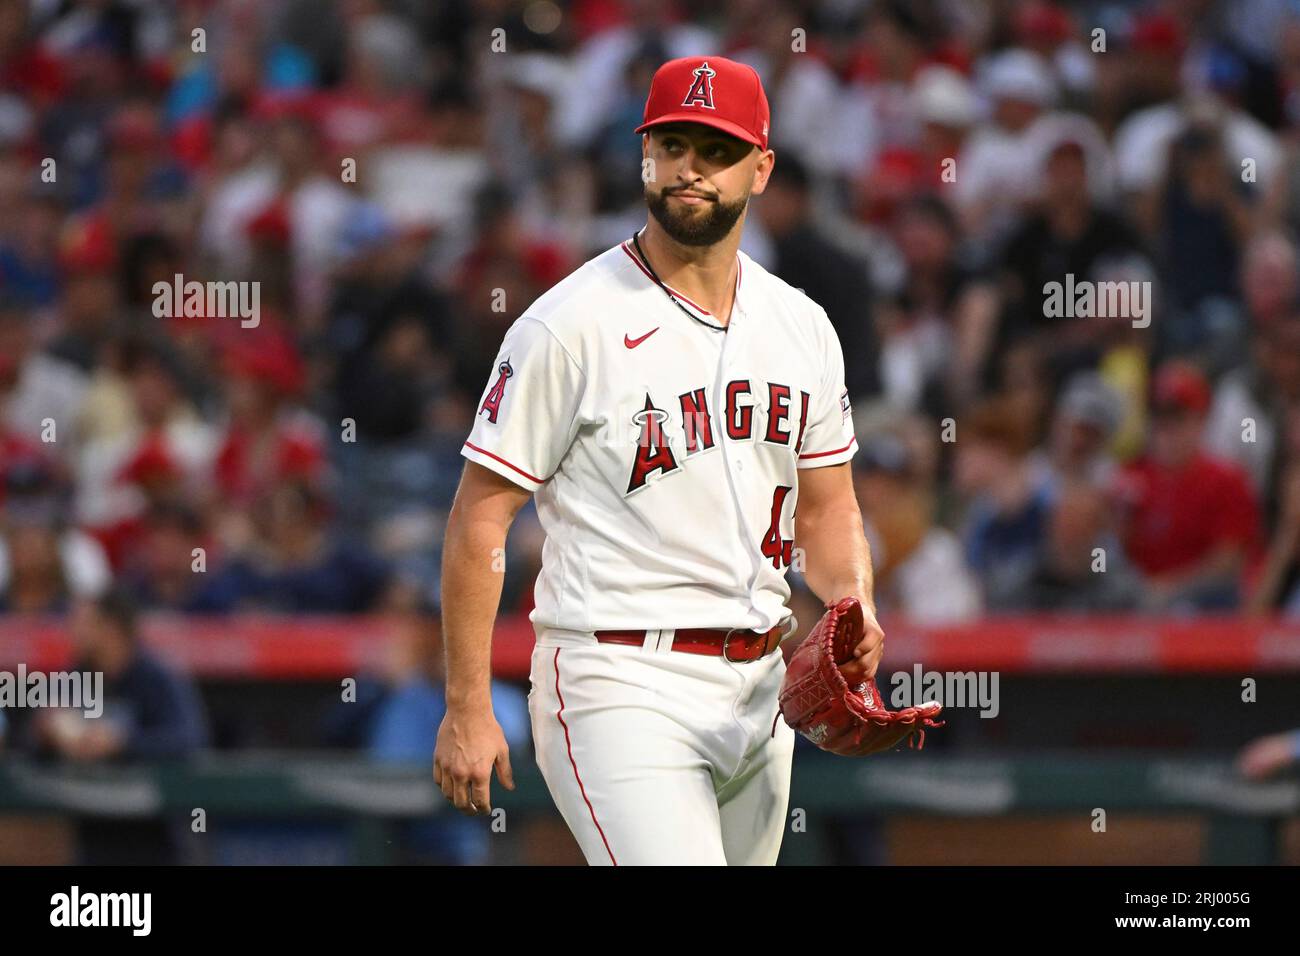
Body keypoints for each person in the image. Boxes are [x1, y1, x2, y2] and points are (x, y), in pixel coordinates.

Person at [434, 56, 887, 866]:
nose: (690, 169)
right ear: (645, 154)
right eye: (673, 144)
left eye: (716, 150)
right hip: (617, 675)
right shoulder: (567, 324)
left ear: (762, 167)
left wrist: (853, 600)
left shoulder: (802, 325)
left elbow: (828, 505)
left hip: (762, 684)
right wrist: (467, 701)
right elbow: (481, 514)